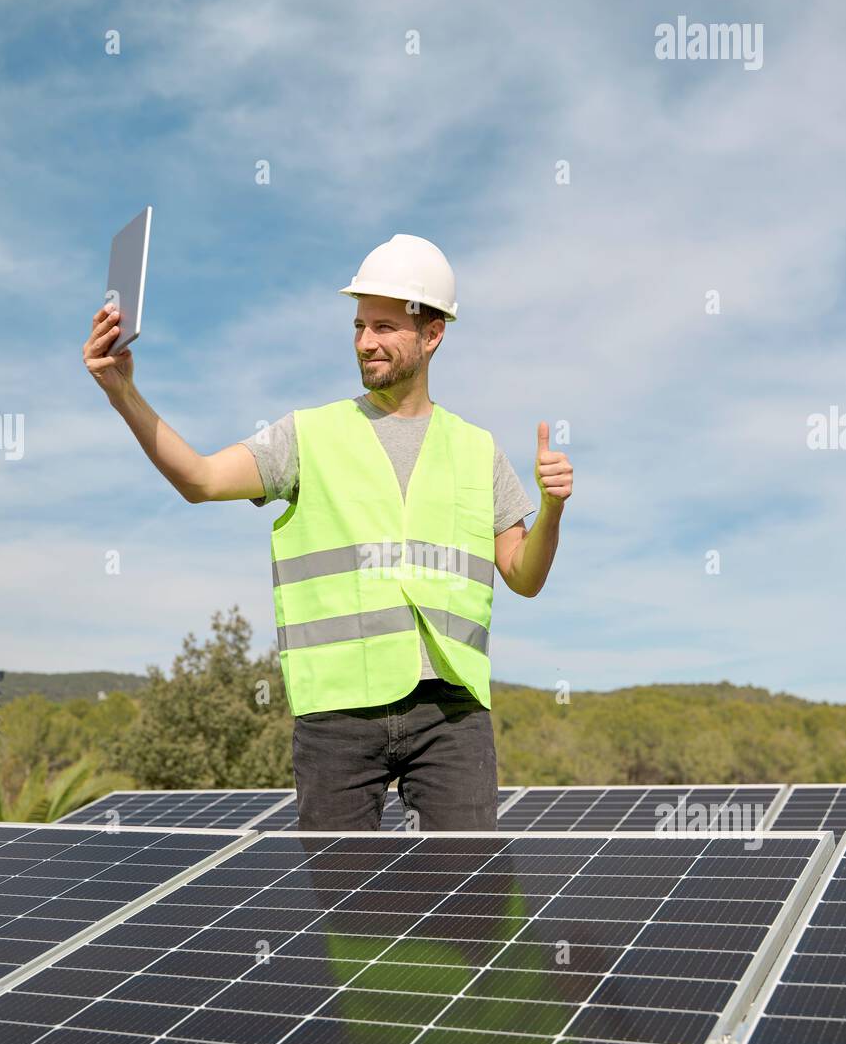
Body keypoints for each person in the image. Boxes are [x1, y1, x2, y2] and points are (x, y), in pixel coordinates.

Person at [82, 234, 573, 831]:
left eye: (386, 326)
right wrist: (122, 392)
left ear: (433, 334)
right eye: (359, 325)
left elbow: (524, 576)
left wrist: (550, 510)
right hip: (336, 714)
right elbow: (201, 479)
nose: (366, 341)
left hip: (451, 711)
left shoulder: (478, 450)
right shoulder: (305, 436)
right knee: (346, 913)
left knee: (468, 903)